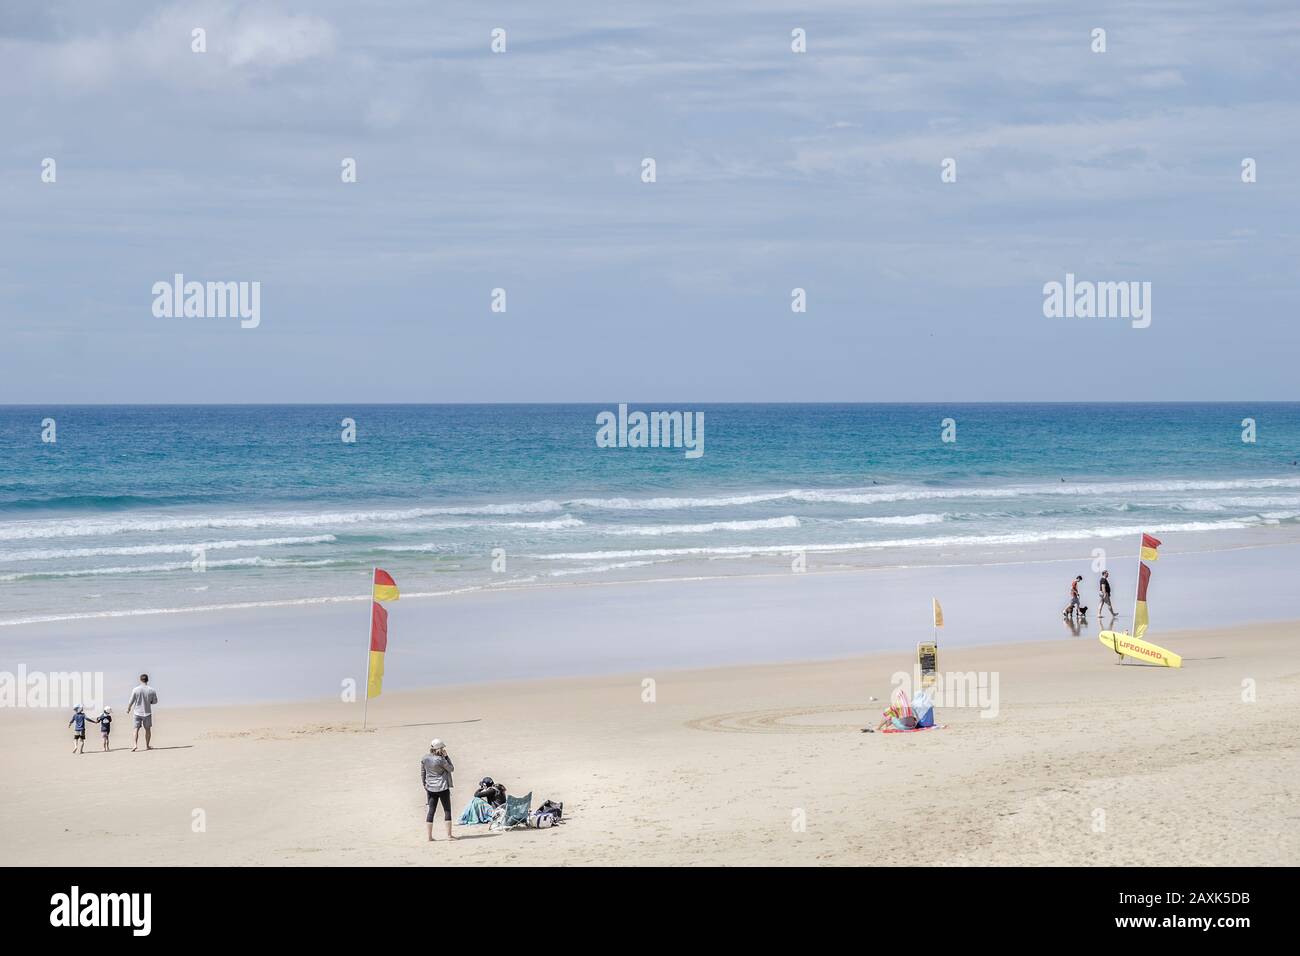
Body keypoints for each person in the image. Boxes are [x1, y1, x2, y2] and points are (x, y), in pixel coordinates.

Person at [421, 738, 456, 842]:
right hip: (442, 787)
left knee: (431, 811)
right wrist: (446, 756)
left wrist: (424, 784)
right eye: (442, 748)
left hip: (430, 788)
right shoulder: (441, 759)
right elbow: (451, 768)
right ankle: (449, 836)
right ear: (439, 749)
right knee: (447, 810)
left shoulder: (424, 758)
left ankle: (429, 837)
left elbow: (423, 773)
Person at [126, 674, 158, 752]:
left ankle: (135, 744)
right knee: (147, 729)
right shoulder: (152, 690)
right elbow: (155, 701)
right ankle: (147, 745)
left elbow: (131, 700)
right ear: (147, 680)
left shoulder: (136, 689)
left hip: (137, 712)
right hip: (147, 712)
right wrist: (149, 701)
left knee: (136, 729)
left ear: (140, 680)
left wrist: (128, 708)